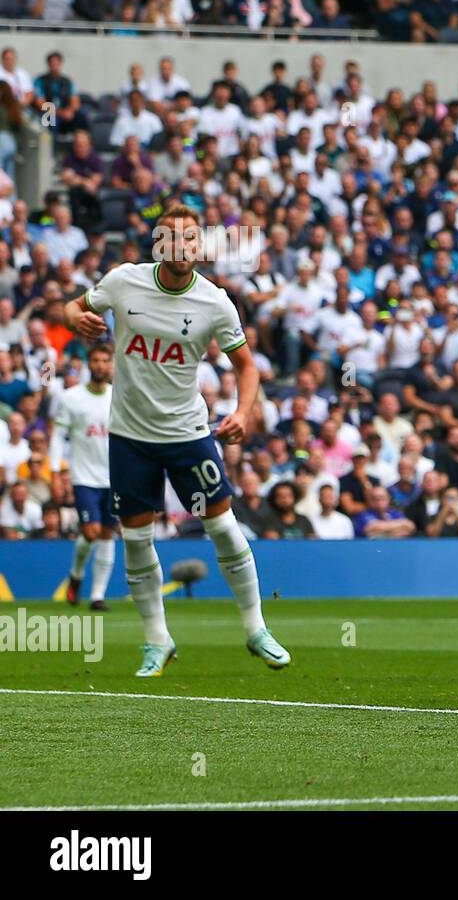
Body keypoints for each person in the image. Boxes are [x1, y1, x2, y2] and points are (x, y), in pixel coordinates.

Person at [63, 203, 291, 676]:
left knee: (223, 528)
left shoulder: (215, 301)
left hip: (187, 434)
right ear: (158, 244)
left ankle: (255, 628)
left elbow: (247, 365)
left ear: (199, 246)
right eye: (171, 238)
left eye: (190, 239)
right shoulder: (125, 281)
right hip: (129, 435)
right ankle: (157, 640)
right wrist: (73, 318)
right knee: (137, 539)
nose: (182, 247)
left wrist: (243, 412)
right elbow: (75, 306)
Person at [50, 342, 115, 609]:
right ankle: (76, 575)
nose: (100, 365)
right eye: (96, 360)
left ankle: (97, 596)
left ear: (110, 364)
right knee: (91, 531)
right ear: (89, 364)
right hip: (84, 476)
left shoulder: (118, 396)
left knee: (107, 534)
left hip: (114, 477)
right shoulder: (71, 397)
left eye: (104, 361)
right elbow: (57, 436)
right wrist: (56, 471)